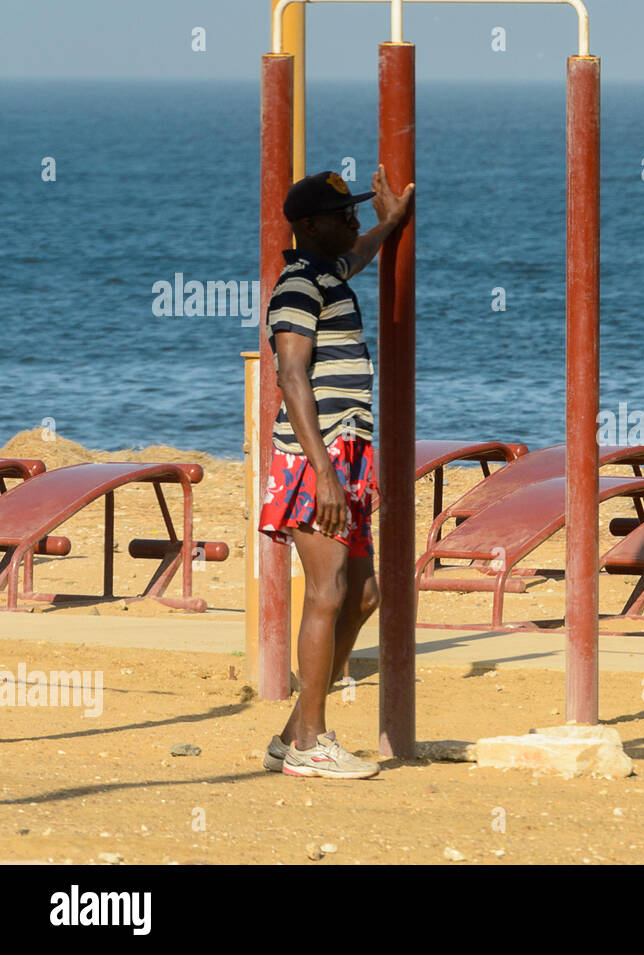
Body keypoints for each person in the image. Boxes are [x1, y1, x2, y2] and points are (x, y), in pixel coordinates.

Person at [257, 167, 414, 779]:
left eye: (354, 212)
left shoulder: (329, 272)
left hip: (347, 455)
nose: (353, 220)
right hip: (313, 459)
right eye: (341, 214)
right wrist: (323, 472)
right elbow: (291, 375)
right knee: (327, 593)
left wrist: (390, 223)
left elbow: (361, 253)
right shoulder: (298, 284)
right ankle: (309, 743)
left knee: (364, 594)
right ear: (307, 226)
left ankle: (295, 731)